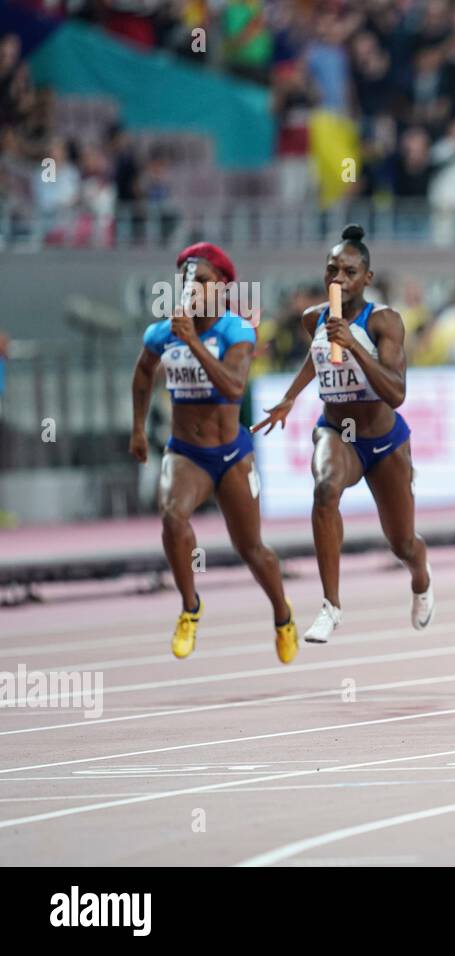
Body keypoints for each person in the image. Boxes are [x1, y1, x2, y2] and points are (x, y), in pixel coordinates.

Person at [254, 225, 434, 642]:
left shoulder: (385, 322)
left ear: (366, 278)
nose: (337, 279)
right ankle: (330, 606)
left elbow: (397, 392)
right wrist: (290, 397)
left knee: (403, 543)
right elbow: (315, 359)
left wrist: (354, 346)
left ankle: (421, 579)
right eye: (332, 270)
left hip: (385, 442)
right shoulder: (313, 318)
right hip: (337, 432)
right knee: (325, 488)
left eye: (348, 272)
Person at [129, 242, 298, 662]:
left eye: (202, 280)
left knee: (251, 548)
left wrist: (194, 342)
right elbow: (142, 374)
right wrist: (137, 428)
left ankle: (282, 613)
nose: (192, 287)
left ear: (222, 287)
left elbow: (234, 387)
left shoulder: (236, 330)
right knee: (172, 515)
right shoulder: (162, 332)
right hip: (186, 452)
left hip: (232, 454)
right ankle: (190, 607)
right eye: (186, 280)